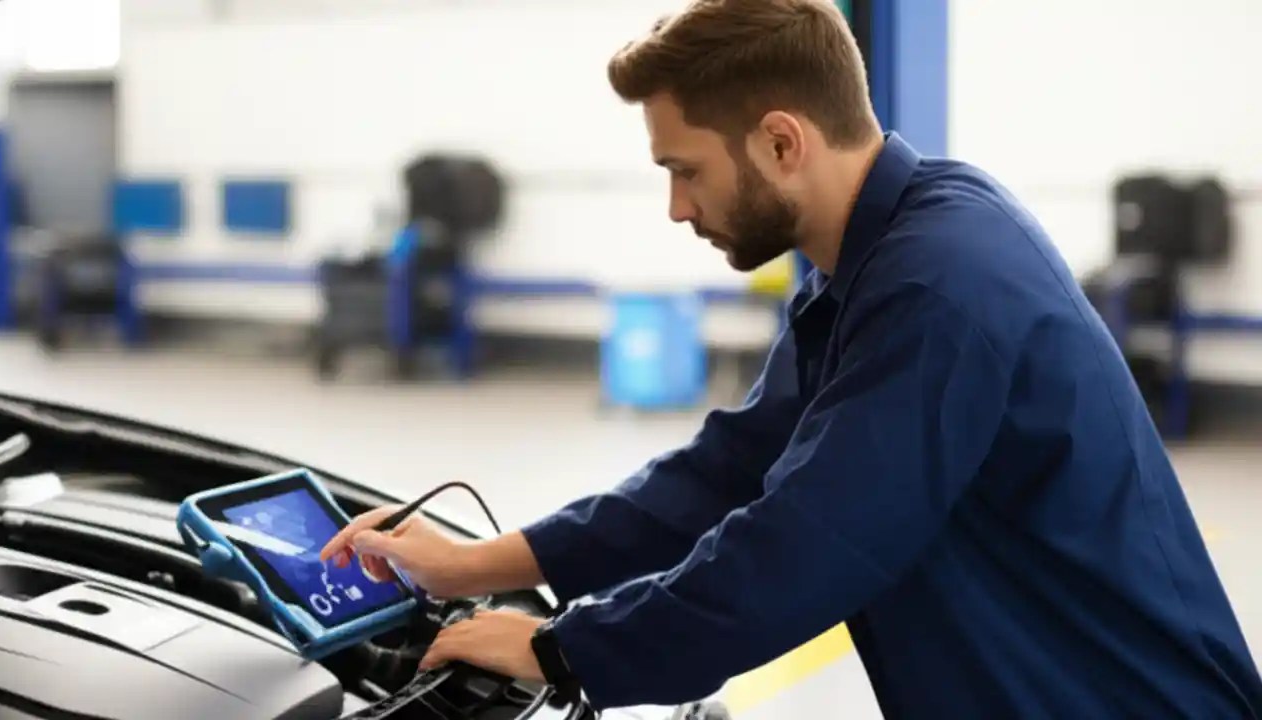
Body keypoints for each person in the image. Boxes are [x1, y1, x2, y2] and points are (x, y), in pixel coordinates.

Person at [322, 0, 1262, 715]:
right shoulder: (868, 248)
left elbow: (805, 548)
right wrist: (469, 566)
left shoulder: (938, 285)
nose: (678, 208)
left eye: (684, 169)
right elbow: (732, 468)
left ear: (780, 142)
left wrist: (562, 650)